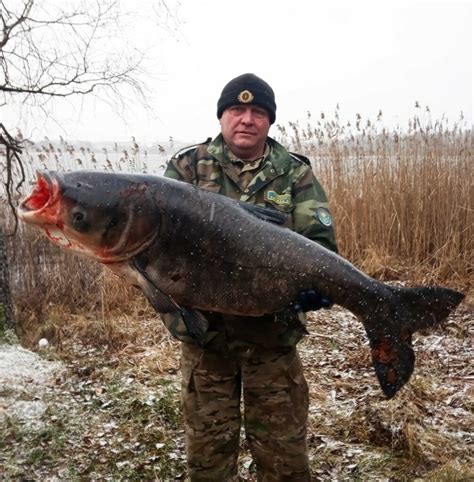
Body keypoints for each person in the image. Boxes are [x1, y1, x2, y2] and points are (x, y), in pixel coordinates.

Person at [161, 73, 338, 481]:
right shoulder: (187, 167)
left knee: (284, 463)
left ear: (269, 121)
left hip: (272, 343)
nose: (247, 119)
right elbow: (160, 241)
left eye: (258, 111)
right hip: (207, 342)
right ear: (222, 115)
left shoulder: (294, 175)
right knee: (208, 463)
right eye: (237, 110)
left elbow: (321, 245)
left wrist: (314, 288)